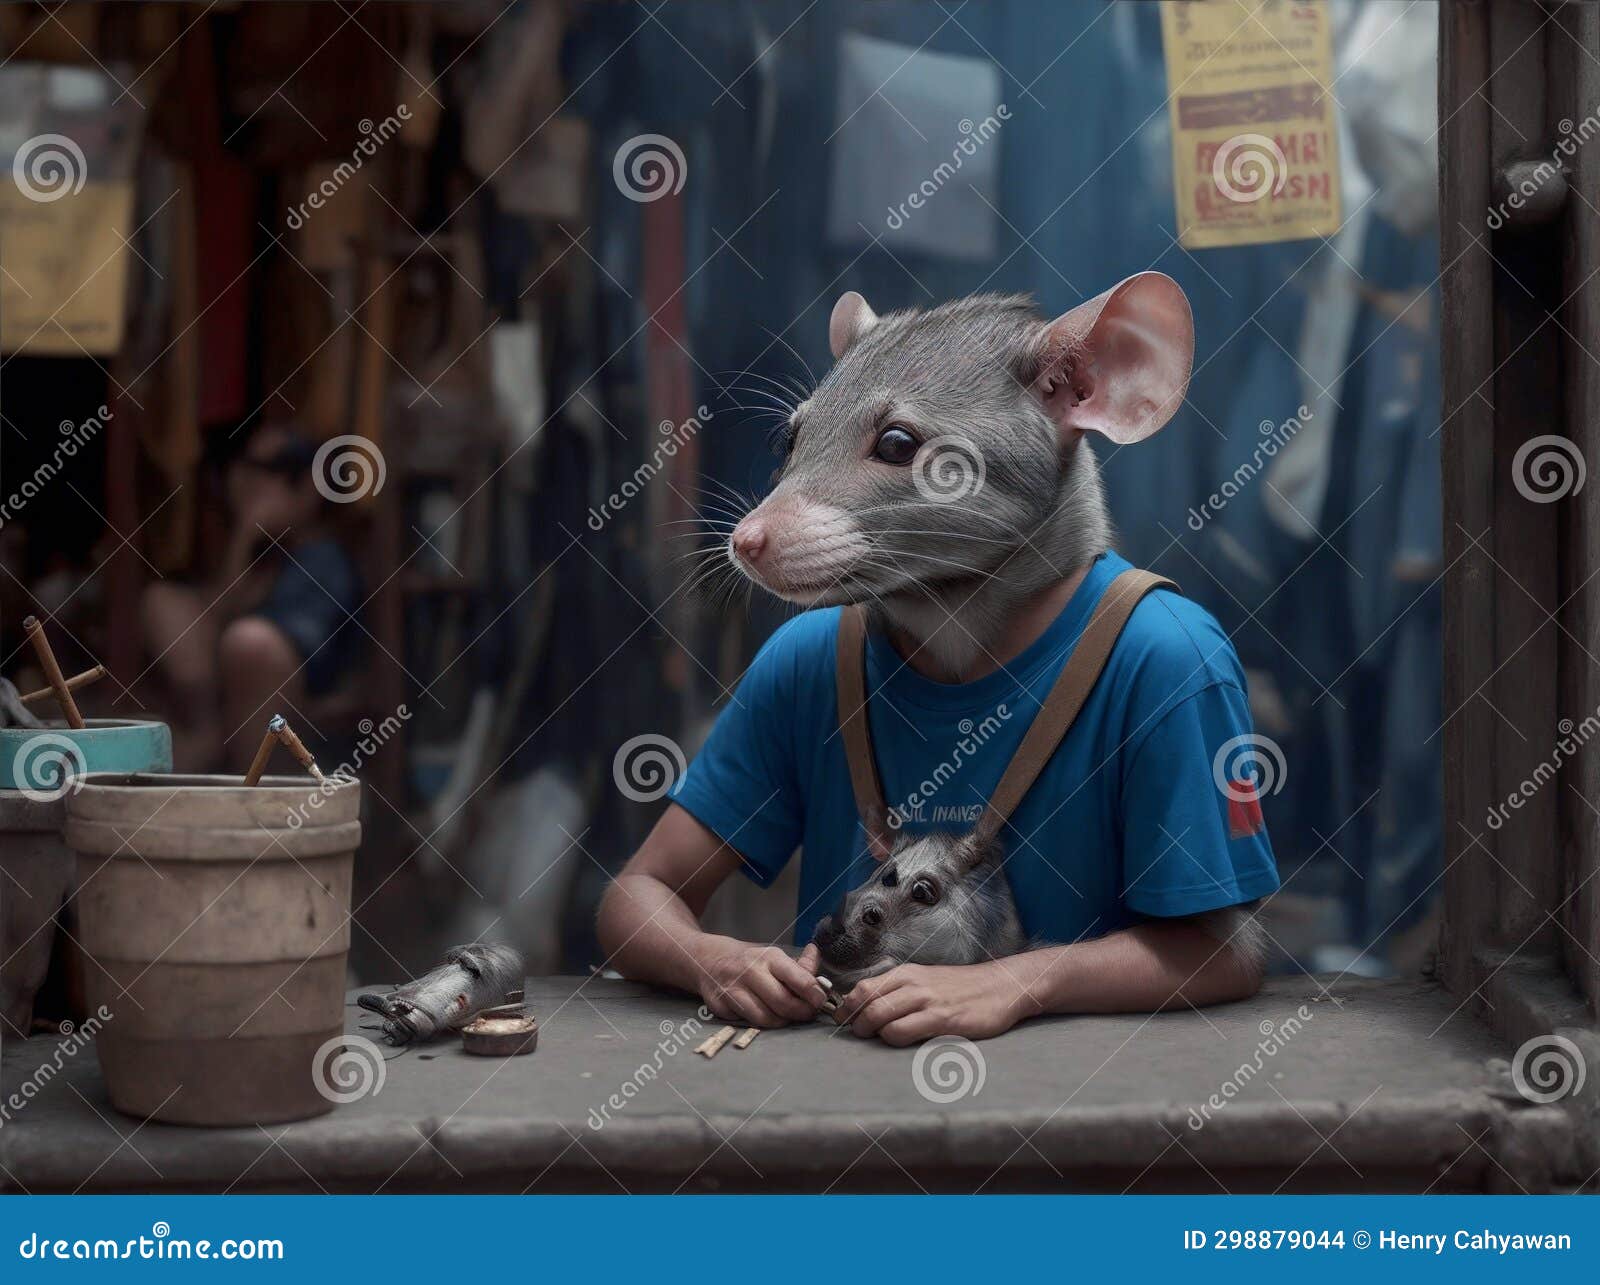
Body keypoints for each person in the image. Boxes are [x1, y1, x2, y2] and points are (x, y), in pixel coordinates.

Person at [141, 424, 362, 772]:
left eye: (270, 469)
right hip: (225, 693)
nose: (249, 482)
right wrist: (245, 536)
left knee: (249, 643)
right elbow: (218, 616)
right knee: (164, 601)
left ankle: (248, 780)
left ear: (307, 486)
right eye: (246, 466)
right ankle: (207, 731)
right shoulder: (261, 552)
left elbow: (296, 646)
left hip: (299, 690)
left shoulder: (322, 556)